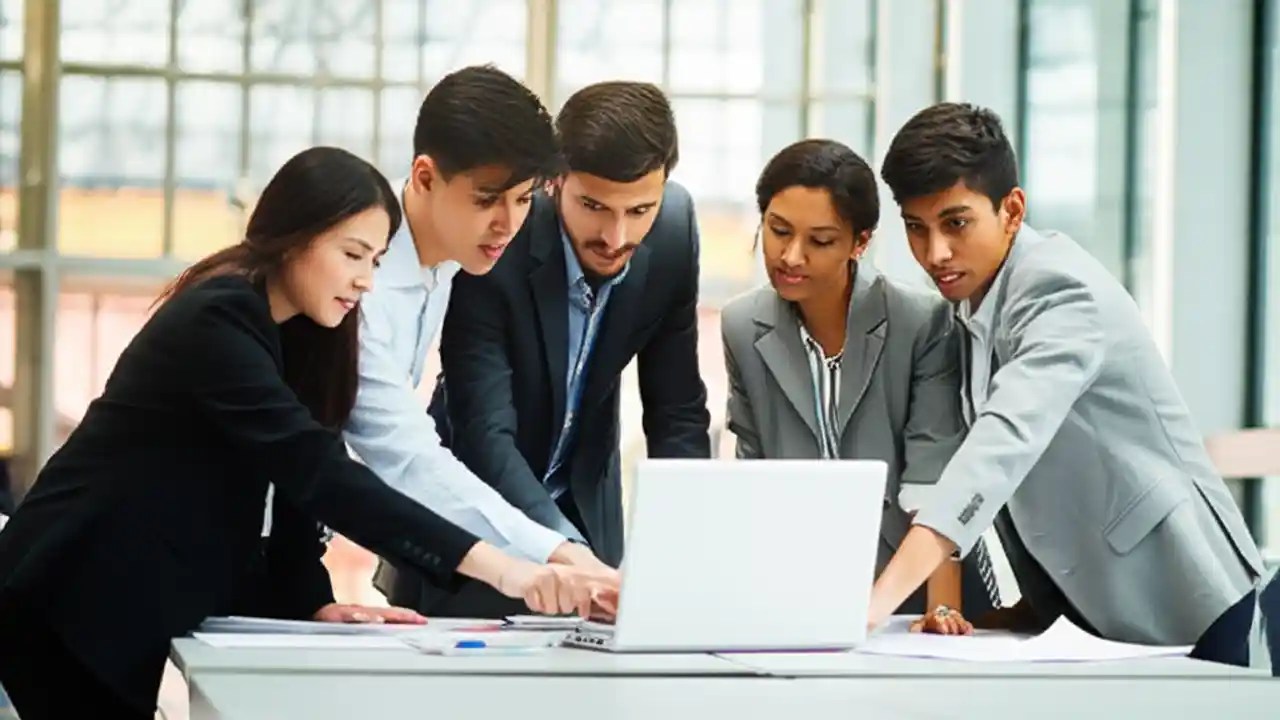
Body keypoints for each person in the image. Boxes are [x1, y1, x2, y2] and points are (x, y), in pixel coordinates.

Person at [0, 147, 617, 720]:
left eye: (375, 261)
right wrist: (508, 571)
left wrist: (311, 602)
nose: (366, 281)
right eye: (351, 255)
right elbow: (320, 473)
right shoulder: (217, 319)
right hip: (66, 599)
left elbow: (294, 499)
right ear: (293, 238)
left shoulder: (301, 334)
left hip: (129, 611)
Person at [865, 102, 1264, 664]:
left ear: (1012, 209)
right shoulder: (967, 304)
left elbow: (1002, 443)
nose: (936, 254)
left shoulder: (1058, 288)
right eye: (915, 228)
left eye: (956, 223)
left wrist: (877, 603)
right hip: (1085, 610)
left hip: (1180, 594)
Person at [391, 80, 711, 617]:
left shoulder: (675, 230)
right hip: (477, 525)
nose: (615, 235)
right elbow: (484, 433)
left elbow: (677, 411)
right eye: (593, 206)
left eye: (640, 210)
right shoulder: (496, 240)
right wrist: (565, 553)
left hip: (590, 515)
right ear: (554, 181)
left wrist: (677, 556)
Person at [336, 66, 618, 613]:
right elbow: (407, 458)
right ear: (424, 177)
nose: (507, 224)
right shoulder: (361, 286)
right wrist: (559, 555)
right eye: (487, 199)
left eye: (523, 199)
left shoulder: (446, 260)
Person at [720, 138, 997, 632]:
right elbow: (754, 472)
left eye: (820, 240)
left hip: (916, 586)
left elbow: (934, 479)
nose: (791, 256)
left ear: (860, 241)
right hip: (795, 589)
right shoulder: (742, 325)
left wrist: (942, 609)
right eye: (778, 230)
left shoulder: (922, 322)